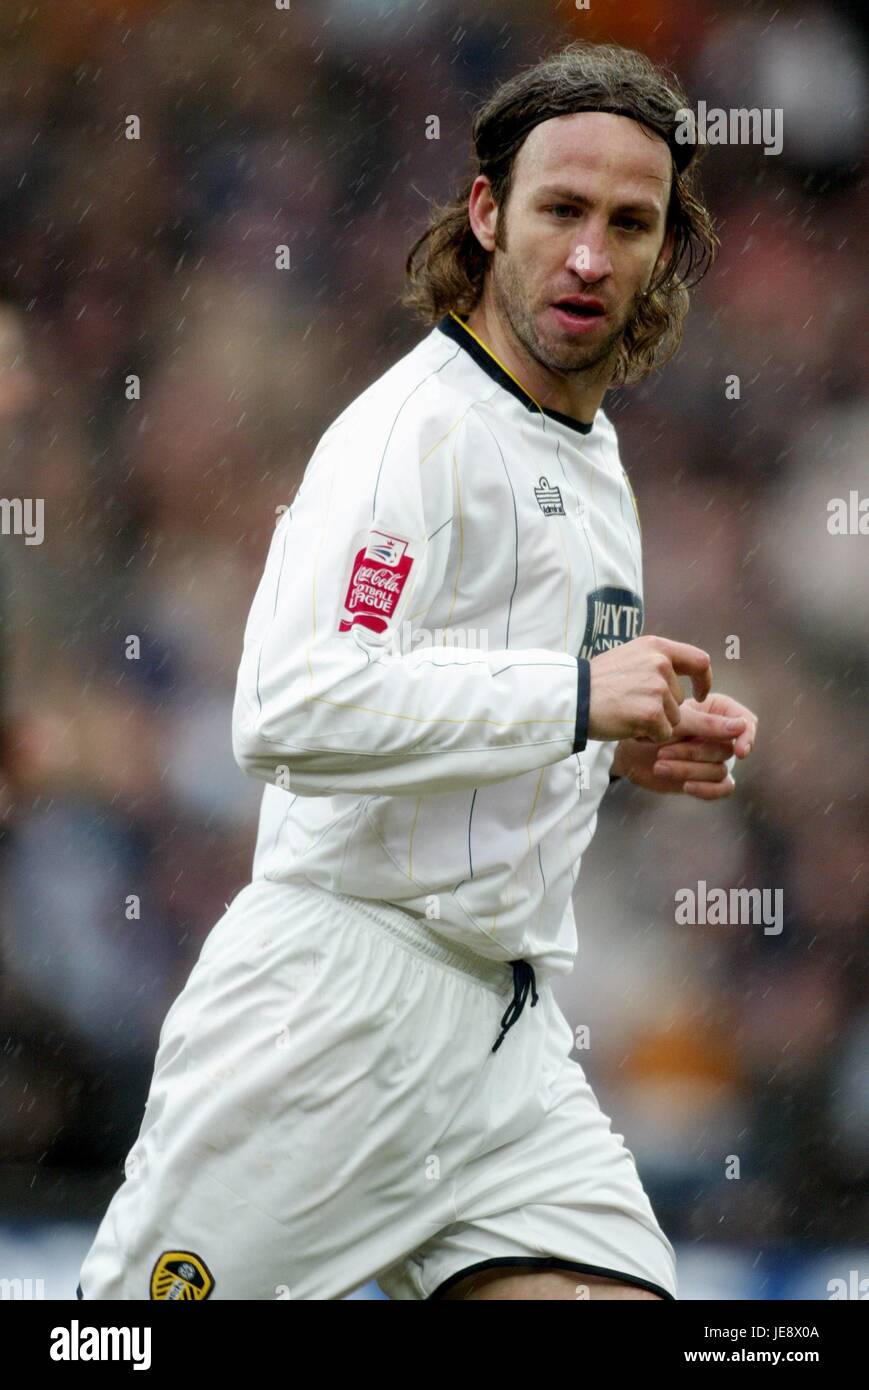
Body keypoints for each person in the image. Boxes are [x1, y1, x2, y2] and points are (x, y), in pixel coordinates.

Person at [78, 40, 757, 1303]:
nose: (591, 255)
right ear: (489, 214)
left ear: (668, 249)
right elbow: (288, 704)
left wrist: (615, 742)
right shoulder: (413, 431)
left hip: (504, 1039)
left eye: (630, 221)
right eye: (560, 210)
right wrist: (568, 696)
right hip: (331, 1018)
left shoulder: (593, 459)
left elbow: (482, 698)